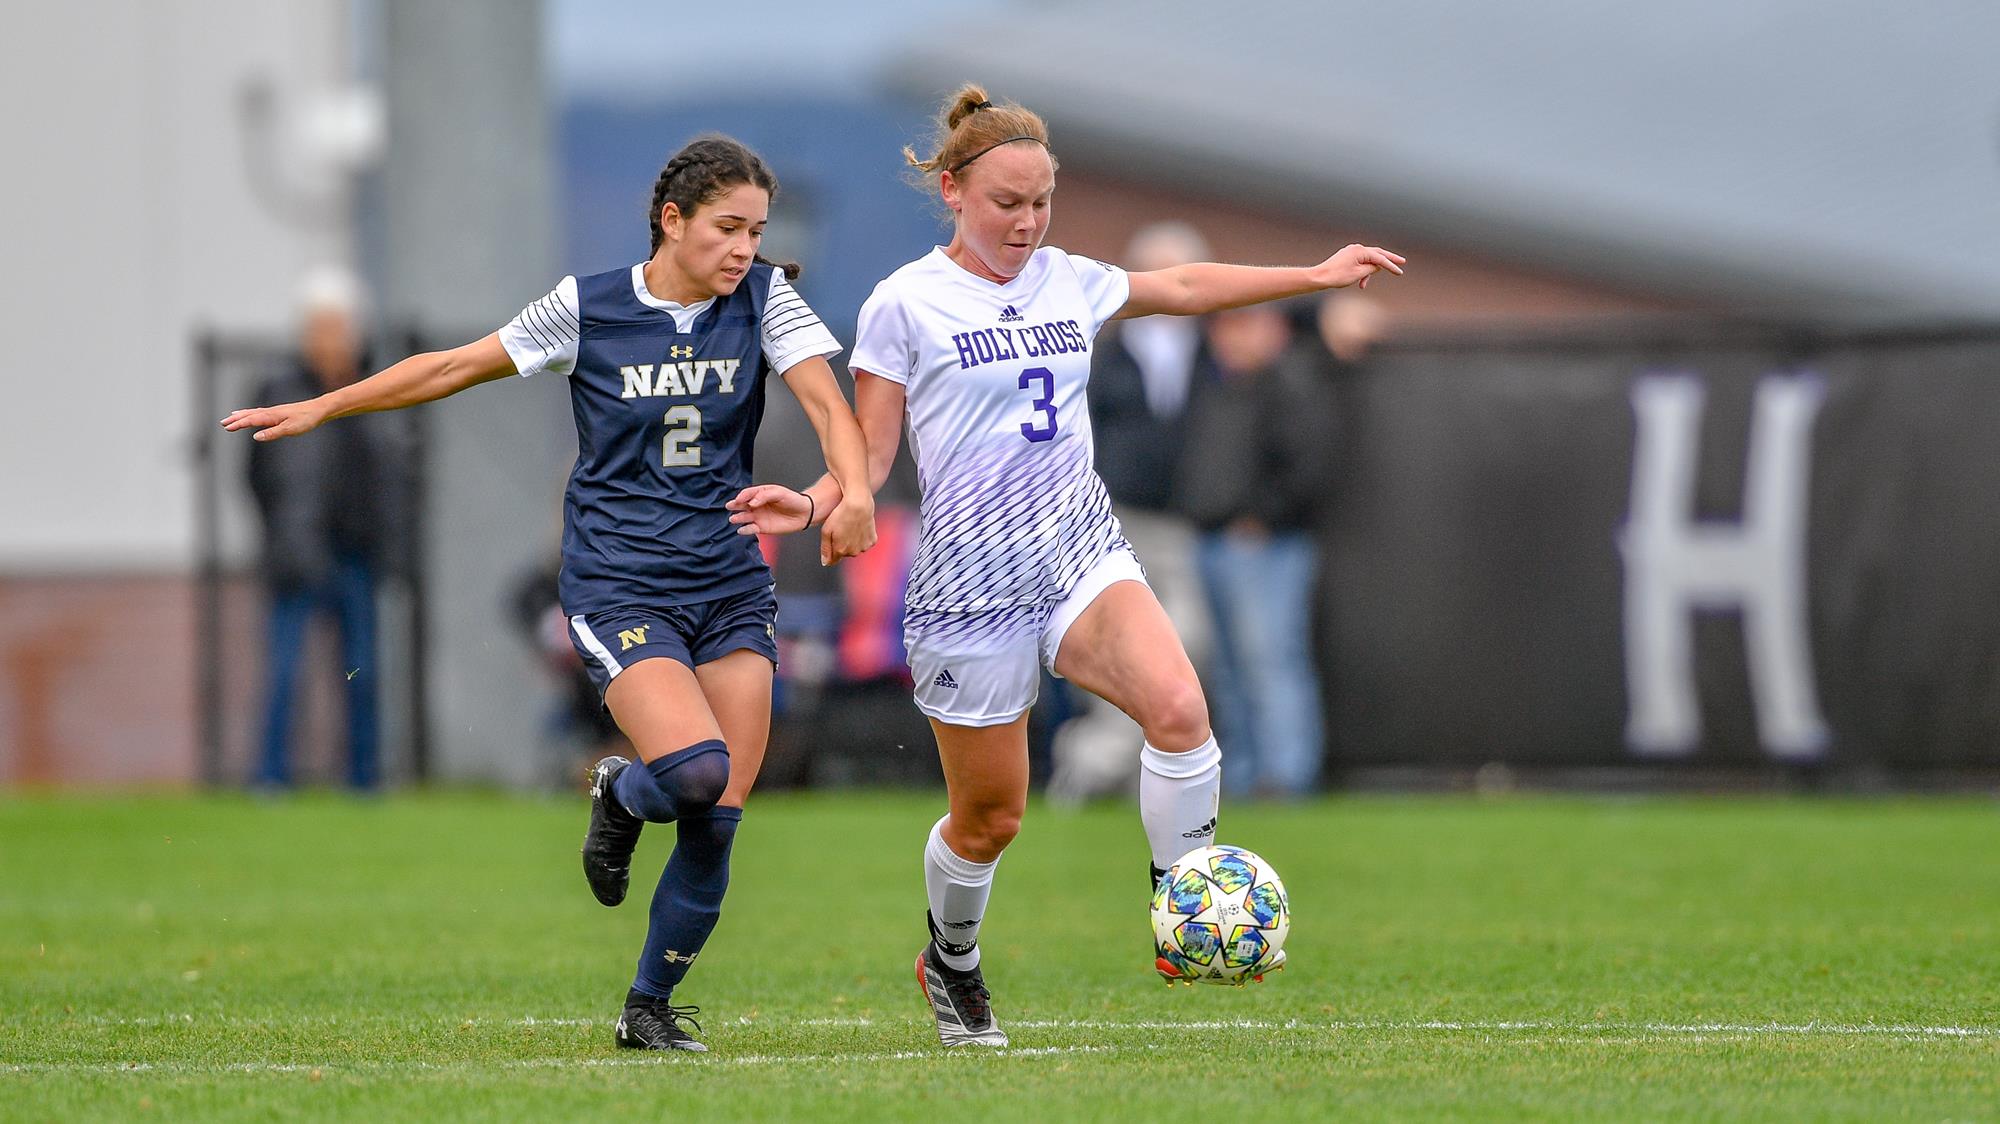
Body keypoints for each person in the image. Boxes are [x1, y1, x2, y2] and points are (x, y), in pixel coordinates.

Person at [733, 86, 1403, 1048]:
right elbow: (870, 459)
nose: (1028, 220)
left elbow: (1180, 289)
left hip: (1079, 550)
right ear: (954, 191)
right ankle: (952, 963)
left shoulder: (1068, 279)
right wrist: (817, 503)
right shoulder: (903, 303)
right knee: (990, 820)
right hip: (968, 584)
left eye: (1041, 200)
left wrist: (1315, 275)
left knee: (1179, 711)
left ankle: (1188, 911)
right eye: (1007, 201)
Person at [224, 135, 876, 1053]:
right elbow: (454, 365)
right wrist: (327, 405)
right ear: (672, 219)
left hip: (728, 581)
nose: (744, 248)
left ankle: (646, 1008)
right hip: (620, 582)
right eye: (728, 228)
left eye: (756, 231)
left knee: (718, 821)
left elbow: (829, 408)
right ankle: (621, 796)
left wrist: (845, 496)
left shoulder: (767, 300)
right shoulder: (591, 306)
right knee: (693, 774)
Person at [1046, 221, 1220, 804]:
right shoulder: (1099, 342)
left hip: (1187, 524)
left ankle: (1097, 758)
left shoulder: (1217, 347)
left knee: (1188, 642)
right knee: (1117, 648)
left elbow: (1284, 325)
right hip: (1110, 518)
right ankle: (1113, 770)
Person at [245, 267, 402, 791]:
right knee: (285, 675)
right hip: (296, 557)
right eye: (319, 328)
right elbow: (254, 477)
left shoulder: (378, 389)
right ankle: (271, 782)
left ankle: (364, 782)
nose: (329, 340)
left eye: (338, 327)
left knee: (362, 675)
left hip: (357, 554)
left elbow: (397, 475)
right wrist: (282, 536)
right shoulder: (278, 389)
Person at [1181, 302, 1337, 797]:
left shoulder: (1293, 382)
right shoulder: (1220, 384)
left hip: (1265, 547)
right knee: (1229, 668)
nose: (1229, 335)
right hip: (1211, 540)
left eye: (1243, 323)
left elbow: (1311, 467)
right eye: (1223, 324)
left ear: (1275, 328)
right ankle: (1247, 774)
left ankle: (1286, 775)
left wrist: (1263, 518)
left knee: (1269, 660)